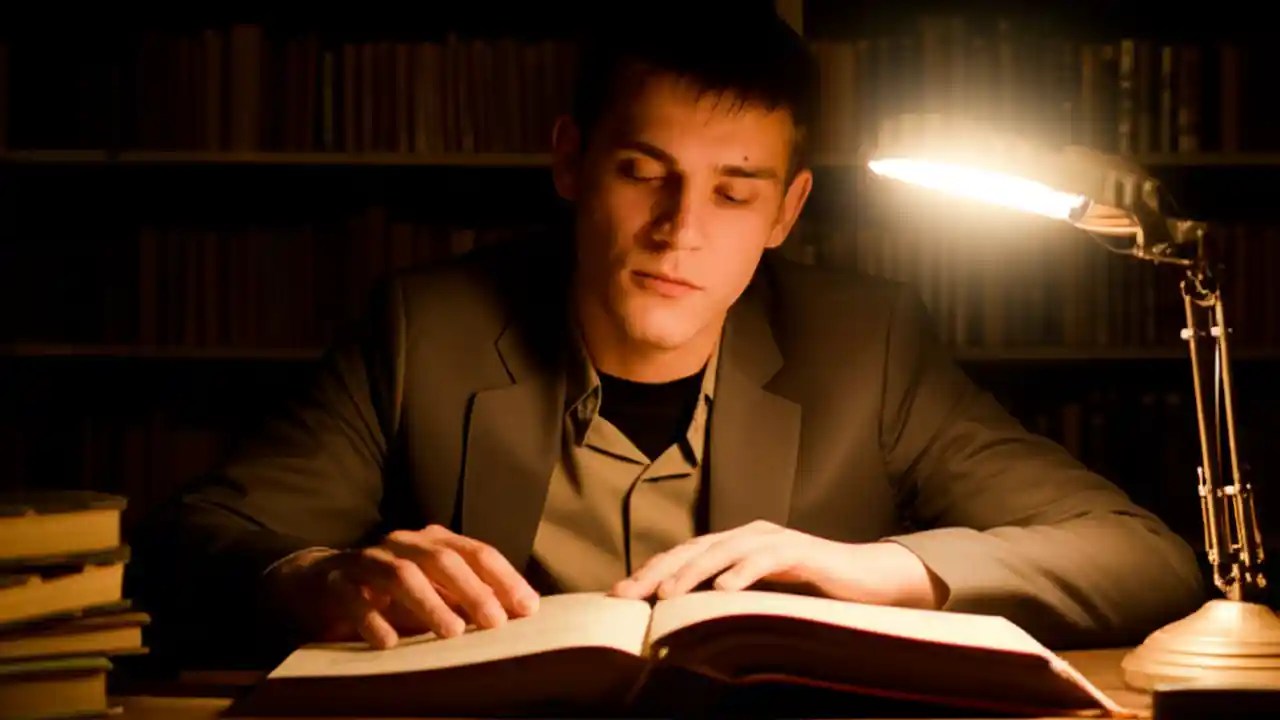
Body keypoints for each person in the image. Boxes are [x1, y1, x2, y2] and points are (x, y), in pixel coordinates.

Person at [133, 3, 1204, 669]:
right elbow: (196, 541)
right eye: (642, 172)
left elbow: (1145, 559)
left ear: (785, 215)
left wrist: (881, 570)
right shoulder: (427, 324)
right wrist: (315, 575)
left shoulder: (864, 343)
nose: (678, 230)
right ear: (569, 163)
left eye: (733, 193)